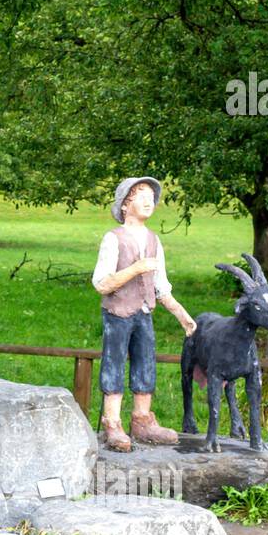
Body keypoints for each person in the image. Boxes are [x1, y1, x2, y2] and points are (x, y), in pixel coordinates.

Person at [92, 177, 197, 451]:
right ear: (125, 204)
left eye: (151, 195)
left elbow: (161, 286)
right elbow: (101, 283)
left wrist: (181, 314)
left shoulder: (154, 240)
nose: (148, 200)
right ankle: (112, 423)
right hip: (118, 313)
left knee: (146, 362)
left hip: (144, 313)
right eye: (141, 195)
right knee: (113, 363)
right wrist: (135, 269)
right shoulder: (113, 239)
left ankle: (142, 421)